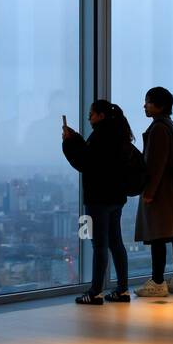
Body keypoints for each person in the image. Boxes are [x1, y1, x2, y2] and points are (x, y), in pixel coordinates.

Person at [62, 100, 133, 304]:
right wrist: (76, 139)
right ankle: (122, 290)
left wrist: (68, 142)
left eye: (92, 114)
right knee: (116, 243)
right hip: (116, 197)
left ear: (101, 116)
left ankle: (95, 292)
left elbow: (84, 162)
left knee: (99, 245)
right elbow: (93, 157)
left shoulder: (100, 136)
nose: (89, 117)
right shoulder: (119, 134)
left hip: (98, 198)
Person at [134, 87, 173, 297]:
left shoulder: (159, 128)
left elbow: (155, 163)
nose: (145, 105)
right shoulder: (172, 125)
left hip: (164, 192)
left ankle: (158, 282)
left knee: (158, 235)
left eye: (148, 101)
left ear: (159, 105)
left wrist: (149, 192)